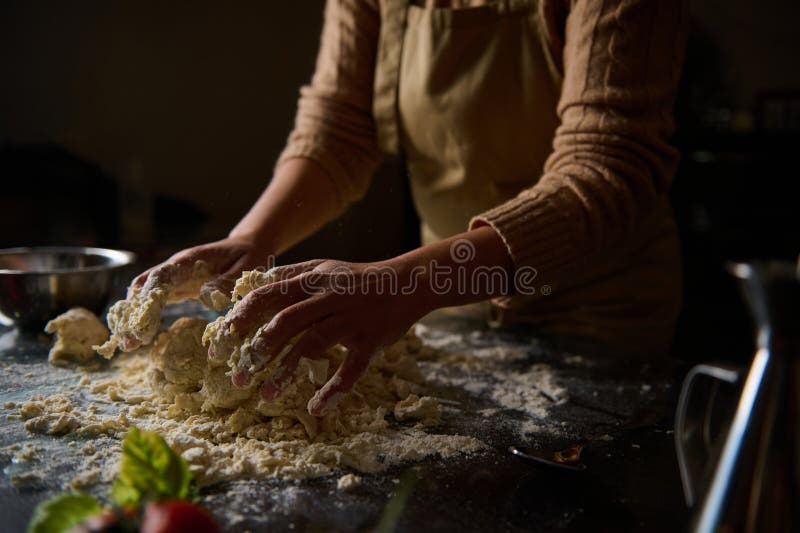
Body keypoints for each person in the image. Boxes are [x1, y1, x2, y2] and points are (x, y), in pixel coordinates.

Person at [131, 0, 689, 416]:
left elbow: (609, 164)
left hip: (598, 320)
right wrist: (253, 239)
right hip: (444, 306)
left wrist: (402, 283)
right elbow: (341, 129)